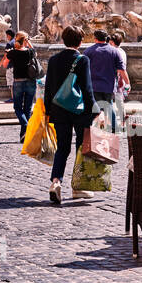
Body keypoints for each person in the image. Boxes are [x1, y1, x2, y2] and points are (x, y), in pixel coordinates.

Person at [43, 26, 96, 203]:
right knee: (81, 148)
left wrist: (48, 110)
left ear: (62, 40)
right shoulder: (82, 60)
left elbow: (48, 88)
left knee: (62, 148)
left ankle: (56, 182)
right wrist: (94, 109)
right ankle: (78, 187)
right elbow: (87, 88)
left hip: (58, 109)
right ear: (80, 42)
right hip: (79, 111)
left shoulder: (53, 60)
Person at [82, 29, 129, 132]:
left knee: (94, 107)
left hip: (93, 85)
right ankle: (113, 127)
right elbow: (122, 70)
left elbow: (82, 69)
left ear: (95, 38)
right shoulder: (114, 51)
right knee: (108, 105)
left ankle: (88, 128)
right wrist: (128, 83)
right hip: (109, 85)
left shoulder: (88, 51)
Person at [4, 31, 38, 140]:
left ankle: (25, 125)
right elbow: (35, 52)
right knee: (27, 108)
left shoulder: (13, 53)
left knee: (17, 107)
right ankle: (24, 136)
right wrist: (29, 42)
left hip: (18, 81)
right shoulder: (29, 52)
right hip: (31, 82)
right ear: (25, 40)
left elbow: (5, 65)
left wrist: (10, 53)